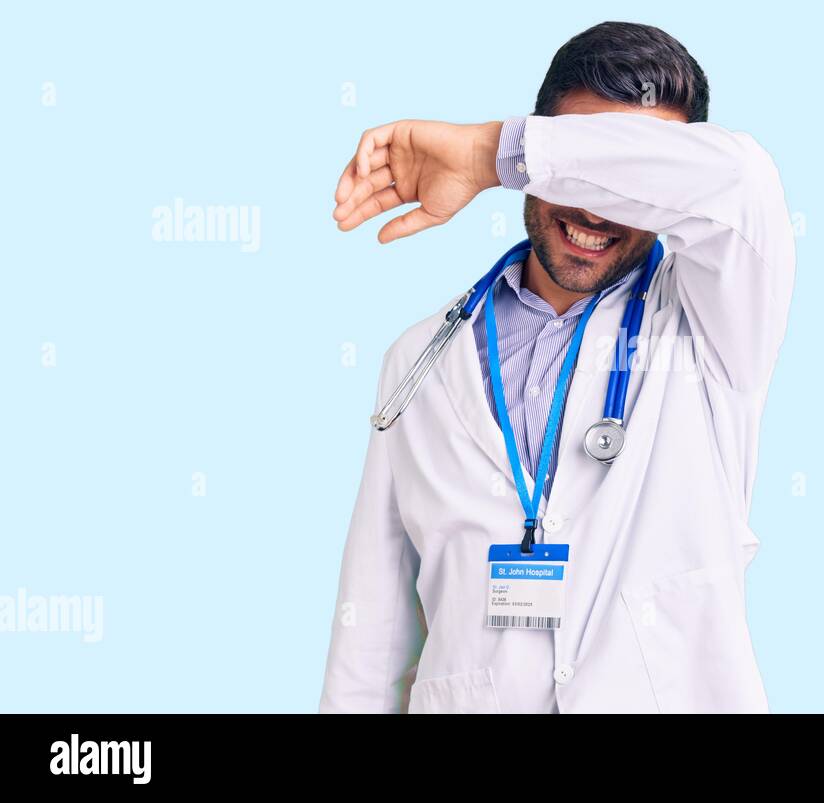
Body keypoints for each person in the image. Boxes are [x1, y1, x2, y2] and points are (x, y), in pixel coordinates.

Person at [319, 21, 795, 713]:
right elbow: (373, 638)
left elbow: (743, 181)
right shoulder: (420, 360)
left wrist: (490, 153)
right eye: (583, 158)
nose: (597, 202)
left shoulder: (714, 327)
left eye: (630, 175)